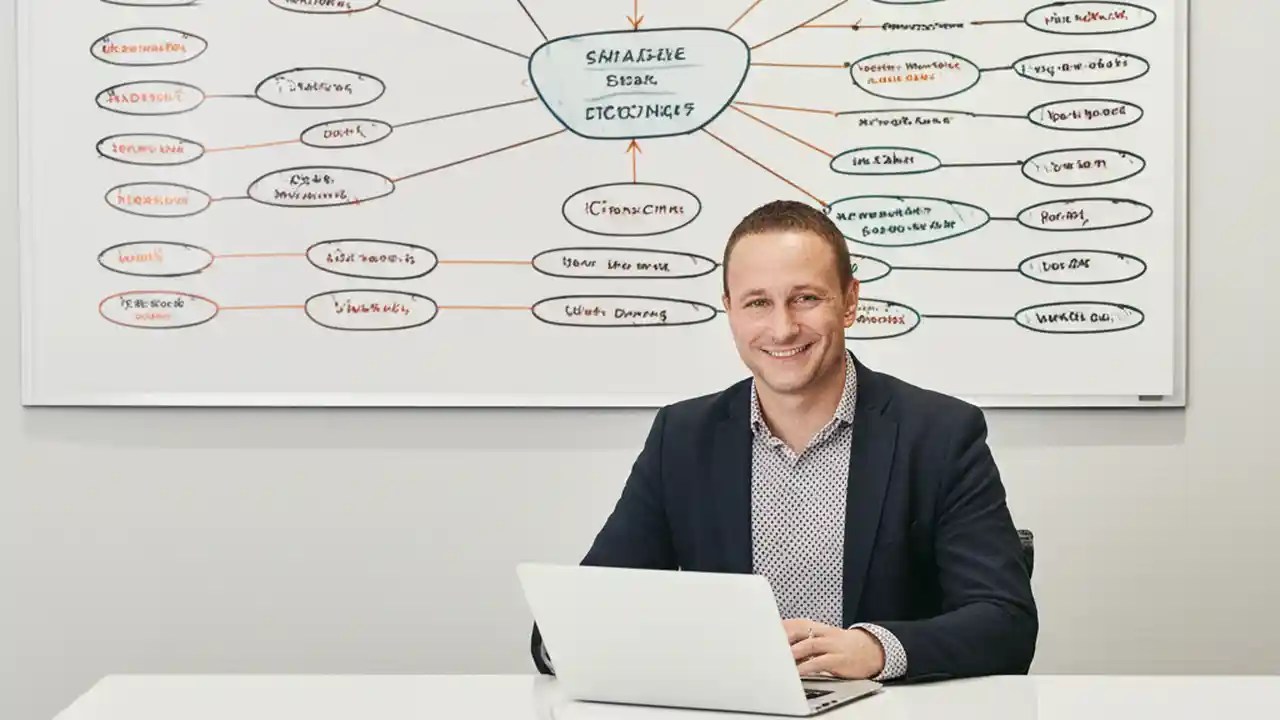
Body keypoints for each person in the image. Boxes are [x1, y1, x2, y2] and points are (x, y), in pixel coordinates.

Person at [530, 200, 1037, 683]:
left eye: (806, 298)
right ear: (729, 310)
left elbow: (1005, 622)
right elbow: (580, 613)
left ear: (850, 301)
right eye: (757, 303)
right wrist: (566, 639)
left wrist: (876, 649)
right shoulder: (682, 440)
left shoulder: (941, 434)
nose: (782, 327)